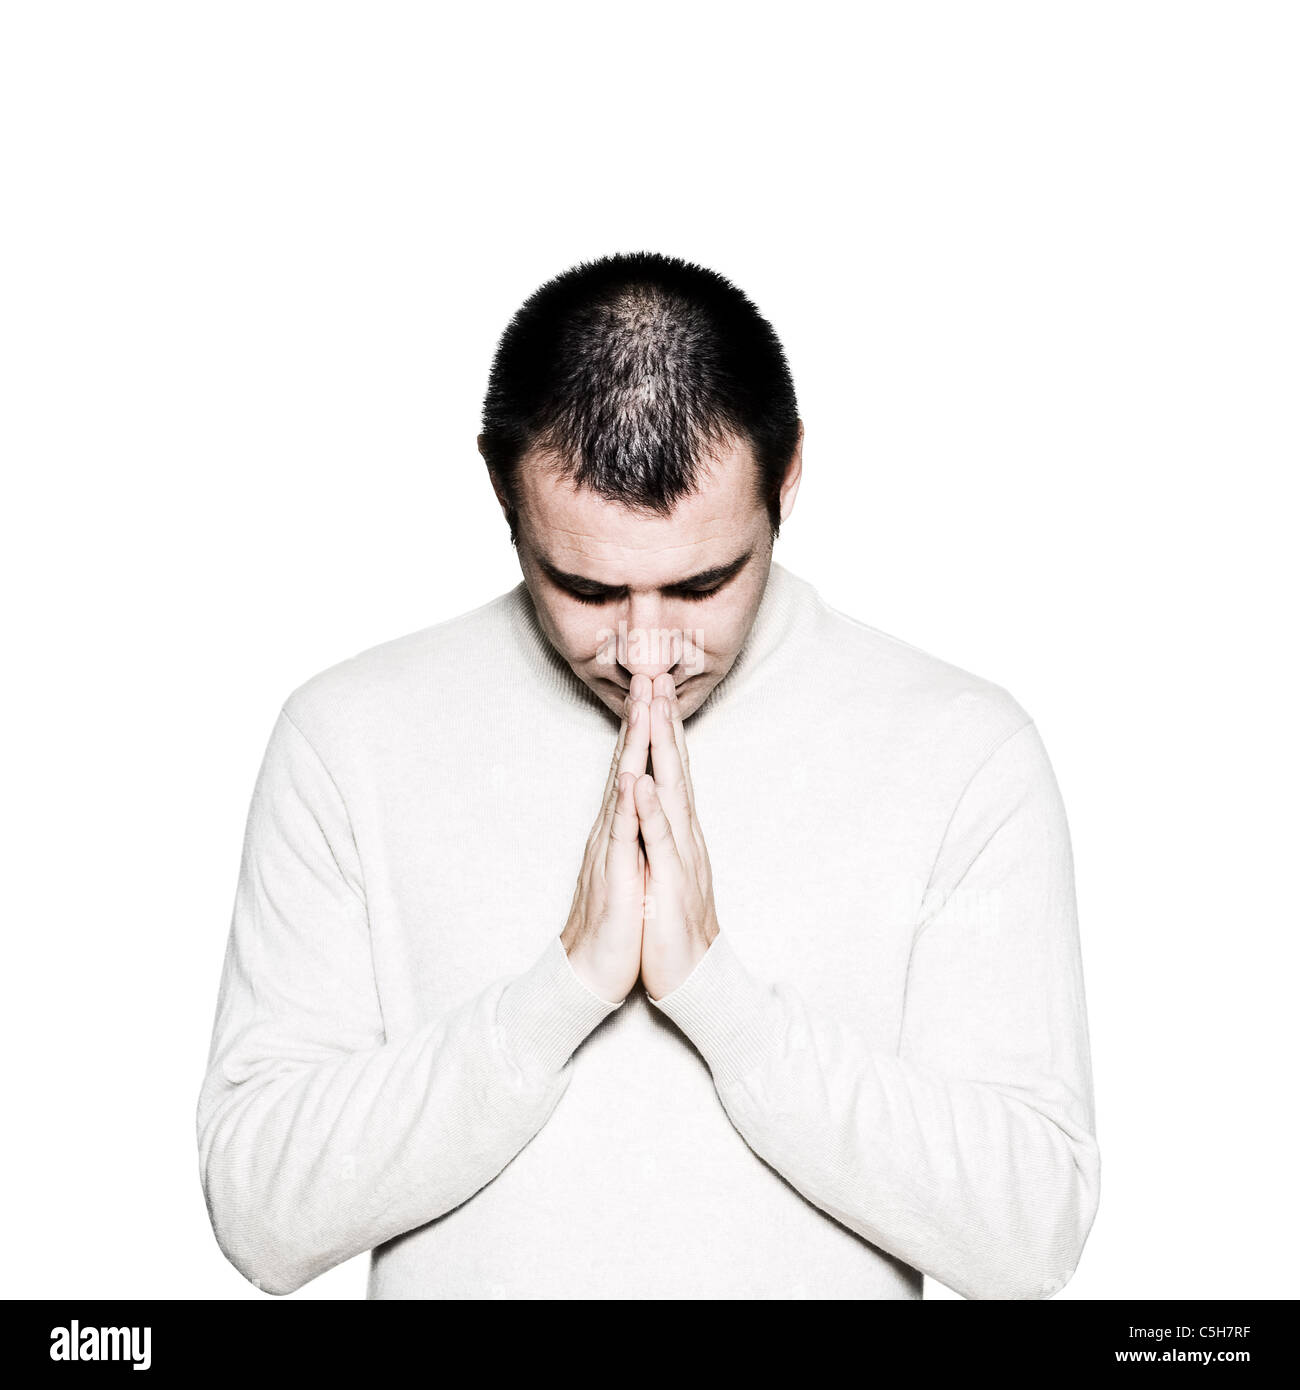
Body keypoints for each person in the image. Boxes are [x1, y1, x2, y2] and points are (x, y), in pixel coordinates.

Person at [195, 252, 1101, 1300]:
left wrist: (716, 995)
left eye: (702, 581)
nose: (647, 650)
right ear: (501, 490)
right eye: (585, 586)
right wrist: (561, 988)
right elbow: (259, 1215)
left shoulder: (958, 749)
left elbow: (1030, 1238)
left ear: (789, 476)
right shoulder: (347, 737)